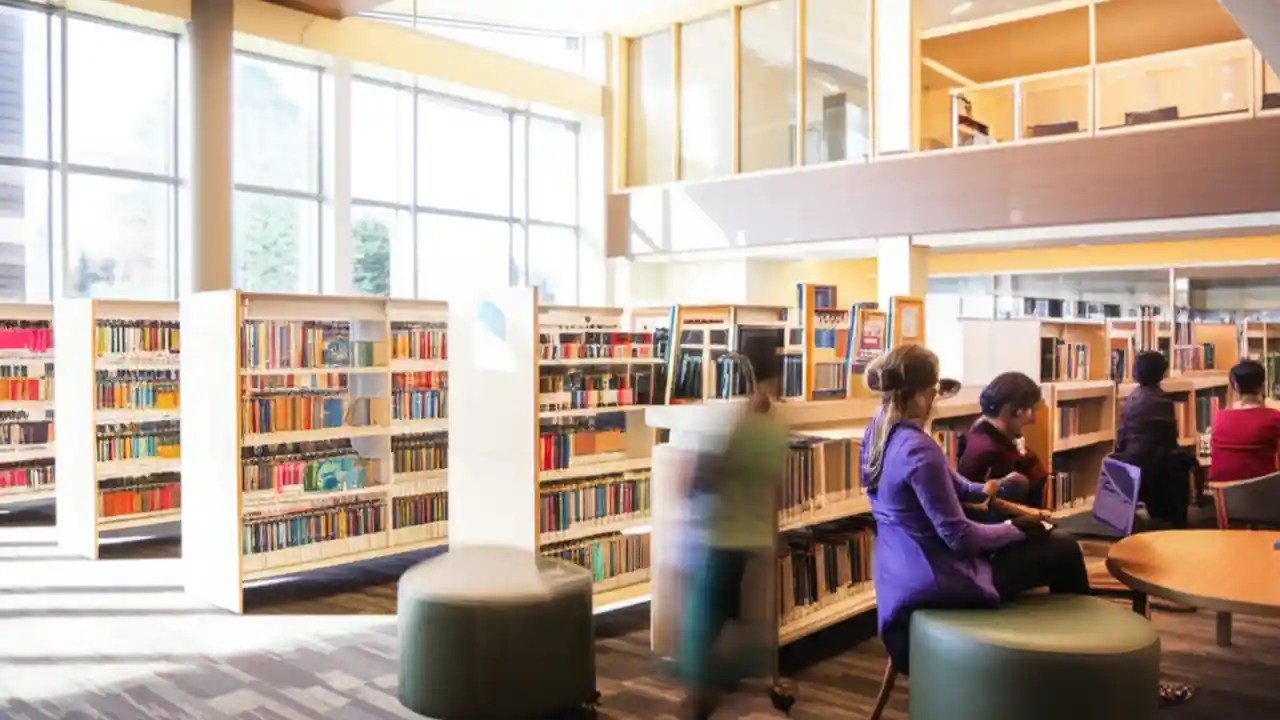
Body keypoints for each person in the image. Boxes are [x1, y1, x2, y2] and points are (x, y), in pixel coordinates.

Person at [861, 345, 1089, 675]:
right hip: (936, 582)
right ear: (920, 394)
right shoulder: (919, 448)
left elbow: (954, 485)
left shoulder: (878, 432)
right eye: (933, 391)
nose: (934, 401)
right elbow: (960, 538)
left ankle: (1071, 664)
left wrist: (990, 489)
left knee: (1047, 544)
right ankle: (1081, 666)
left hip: (898, 575)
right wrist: (1017, 528)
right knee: (1063, 549)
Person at [678, 335, 790, 720]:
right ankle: (718, 688)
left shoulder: (733, 425)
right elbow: (775, 490)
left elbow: (699, 482)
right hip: (754, 540)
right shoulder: (777, 430)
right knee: (735, 617)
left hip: (720, 537)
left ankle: (701, 695)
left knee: (705, 621)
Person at [1114, 351, 1197, 528]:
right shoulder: (1162, 400)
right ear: (1162, 372)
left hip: (1130, 460)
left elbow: (1122, 437)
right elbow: (1168, 440)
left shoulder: (1131, 399)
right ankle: (1179, 523)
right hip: (1154, 466)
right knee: (1186, 462)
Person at [956, 371, 1051, 509]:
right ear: (1013, 409)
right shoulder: (991, 452)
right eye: (1030, 409)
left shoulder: (979, 436)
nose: (1032, 419)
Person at [1210, 359, 1280, 484]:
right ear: (1263, 386)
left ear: (1235, 386)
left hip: (1224, 499)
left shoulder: (1219, 417)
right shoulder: (1274, 418)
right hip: (1264, 494)